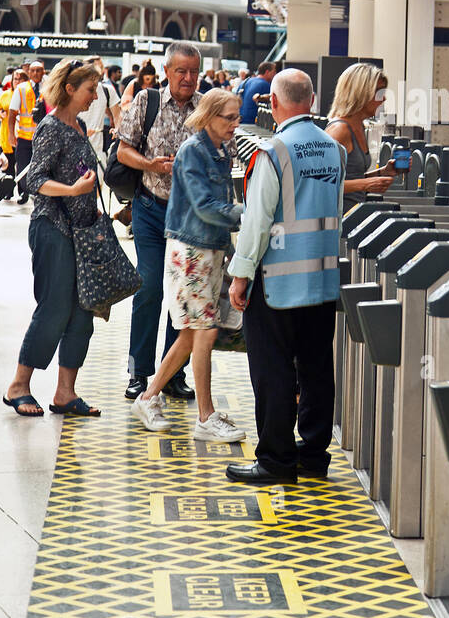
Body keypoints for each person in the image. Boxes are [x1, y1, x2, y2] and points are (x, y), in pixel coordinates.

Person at [225, 69, 346, 485]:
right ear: (311, 101)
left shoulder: (273, 152)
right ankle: (313, 455)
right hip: (323, 280)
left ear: (273, 104)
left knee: (273, 370)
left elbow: (257, 222)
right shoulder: (334, 149)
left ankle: (275, 460)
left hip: (278, 282)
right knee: (316, 368)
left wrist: (240, 275)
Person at [131, 90, 245, 441]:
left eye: (237, 116)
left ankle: (148, 397)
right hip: (191, 252)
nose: (235, 123)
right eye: (229, 117)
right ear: (209, 115)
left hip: (210, 250)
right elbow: (206, 205)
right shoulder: (193, 152)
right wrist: (250, 216)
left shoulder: (222, 151)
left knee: (189, 334)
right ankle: (205, 417)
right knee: (205, 331)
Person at [2, 59, 102, 419]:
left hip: (79, 231)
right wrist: (75, 190)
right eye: (90, 89)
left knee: (82, 311)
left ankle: (65, 393)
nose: (95, 96)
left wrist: (90, 203)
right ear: (71, 89)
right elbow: (34, 179)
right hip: (51, 228)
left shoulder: (79, 125)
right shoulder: (50, 127)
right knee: (54, 308)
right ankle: (18, 385)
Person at [117, 41, 206, 402]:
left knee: (181, 296)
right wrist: (150, 165)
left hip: (188, 216)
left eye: (193, 72)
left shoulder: (205, 107)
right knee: (150, 286)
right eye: (180, 71)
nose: (187, 78)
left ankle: (173, 374)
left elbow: (221, 152)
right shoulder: (147, 101)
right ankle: (139, 372)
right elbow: (124, 149)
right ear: (167, 71)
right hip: (151, 209)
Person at [325, 63, 397, 211]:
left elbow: (351, 178)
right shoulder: (339, 131)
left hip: (353, 218)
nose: (383, 98)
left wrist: (382, 172)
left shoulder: (359, 126)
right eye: (378, 92)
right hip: (338, 221)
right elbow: (322, 184)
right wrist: (367, 184)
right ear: (360, 93)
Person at [8, 58, 45, 205]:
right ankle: (24, 192)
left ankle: (38, 194)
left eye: (39, 70)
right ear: (28, 72)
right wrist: (11, 134)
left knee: (41, 168)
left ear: (43, 72)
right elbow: (12, 113)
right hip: (24, 137)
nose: (35, 73)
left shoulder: (47, 88)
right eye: (33, 70)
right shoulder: (21, 88)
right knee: (22, 168)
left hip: (43, 137)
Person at [84, 57, 120, 163]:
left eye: (102, 67)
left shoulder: (107, 90)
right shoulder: (76, 90)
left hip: (99, 151)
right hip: (77, 150)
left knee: (99, 178)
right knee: (82, 176)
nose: (102, 71)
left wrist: (117, 129)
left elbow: (118, 115)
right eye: (99, 67)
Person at [0, 68, 24, 185]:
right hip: (7, 133)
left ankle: (23, 191)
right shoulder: (5, 95)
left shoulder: (27, 95)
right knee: (9, 162)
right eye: (15, 79)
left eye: (20, 79)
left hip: (23, 134)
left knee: (22, 163)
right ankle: (8, 188)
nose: (17, 82)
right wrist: (1, 114)